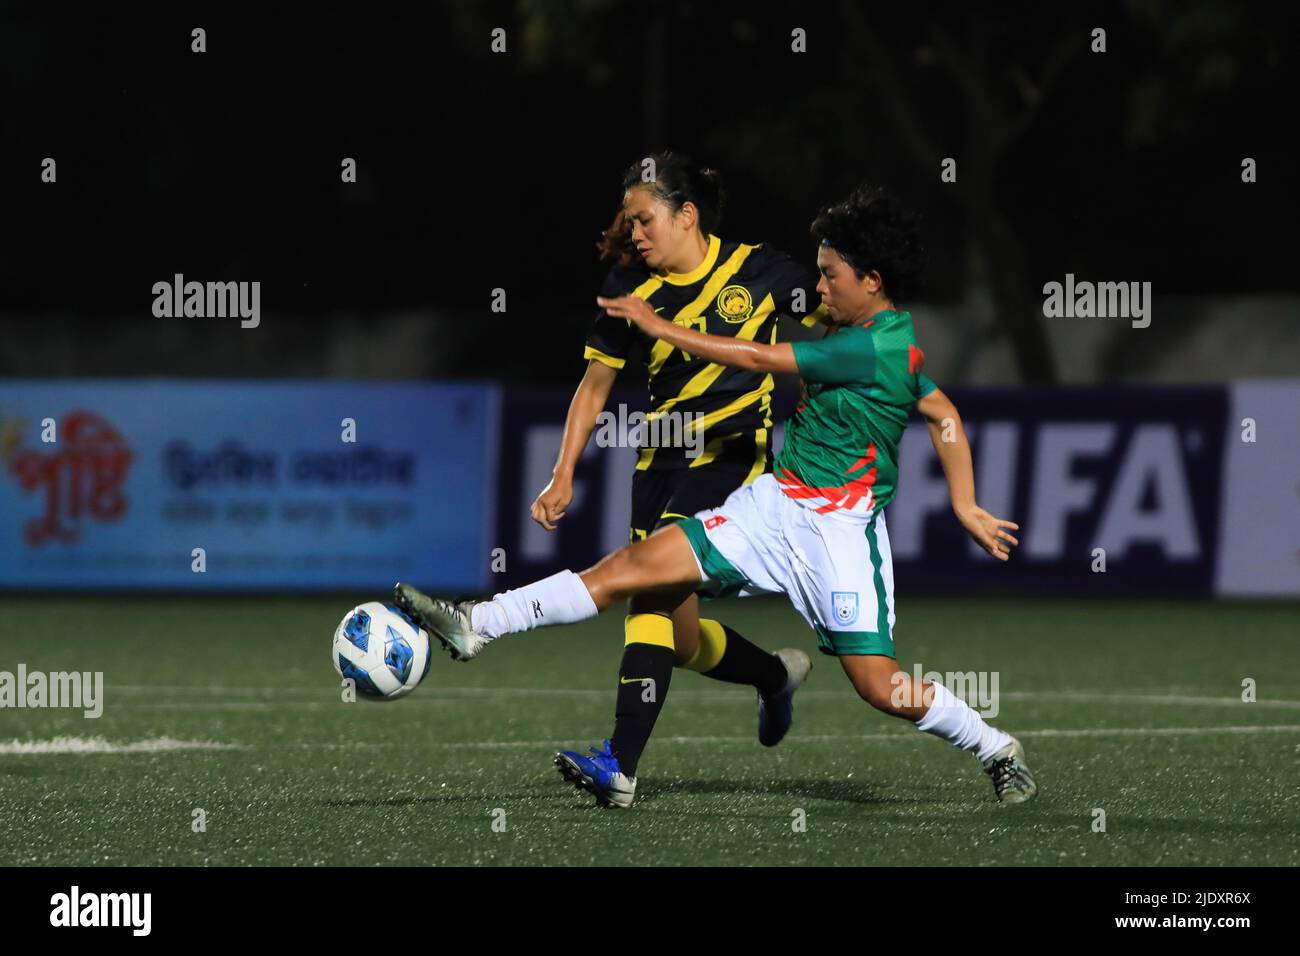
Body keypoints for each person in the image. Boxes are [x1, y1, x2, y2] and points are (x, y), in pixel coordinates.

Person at [396, 184, 1038, 809]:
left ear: (871, 280)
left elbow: (756, 359)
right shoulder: (885, 338)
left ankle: (996, 747)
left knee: (879, 686)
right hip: (773, 506)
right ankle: (478, 624)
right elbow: (942, 411)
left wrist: (658, 325)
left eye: (829, 275)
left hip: (838, 536)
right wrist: (964, 503)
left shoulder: (870, 346)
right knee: (633, 569)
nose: (818, 288)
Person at [519, 152, 833, 795]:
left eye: (644, 220)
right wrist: (562, 474)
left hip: (731, 459)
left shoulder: (762, 270)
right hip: (658, 466)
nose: (634, 233)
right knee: (681, 640)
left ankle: (620, 765)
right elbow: (594, 385)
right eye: (629, 221)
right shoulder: (628, 288)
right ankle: (774, 677)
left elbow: (836, 326)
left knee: (649, 597)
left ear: (686, 214)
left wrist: (829, 387)